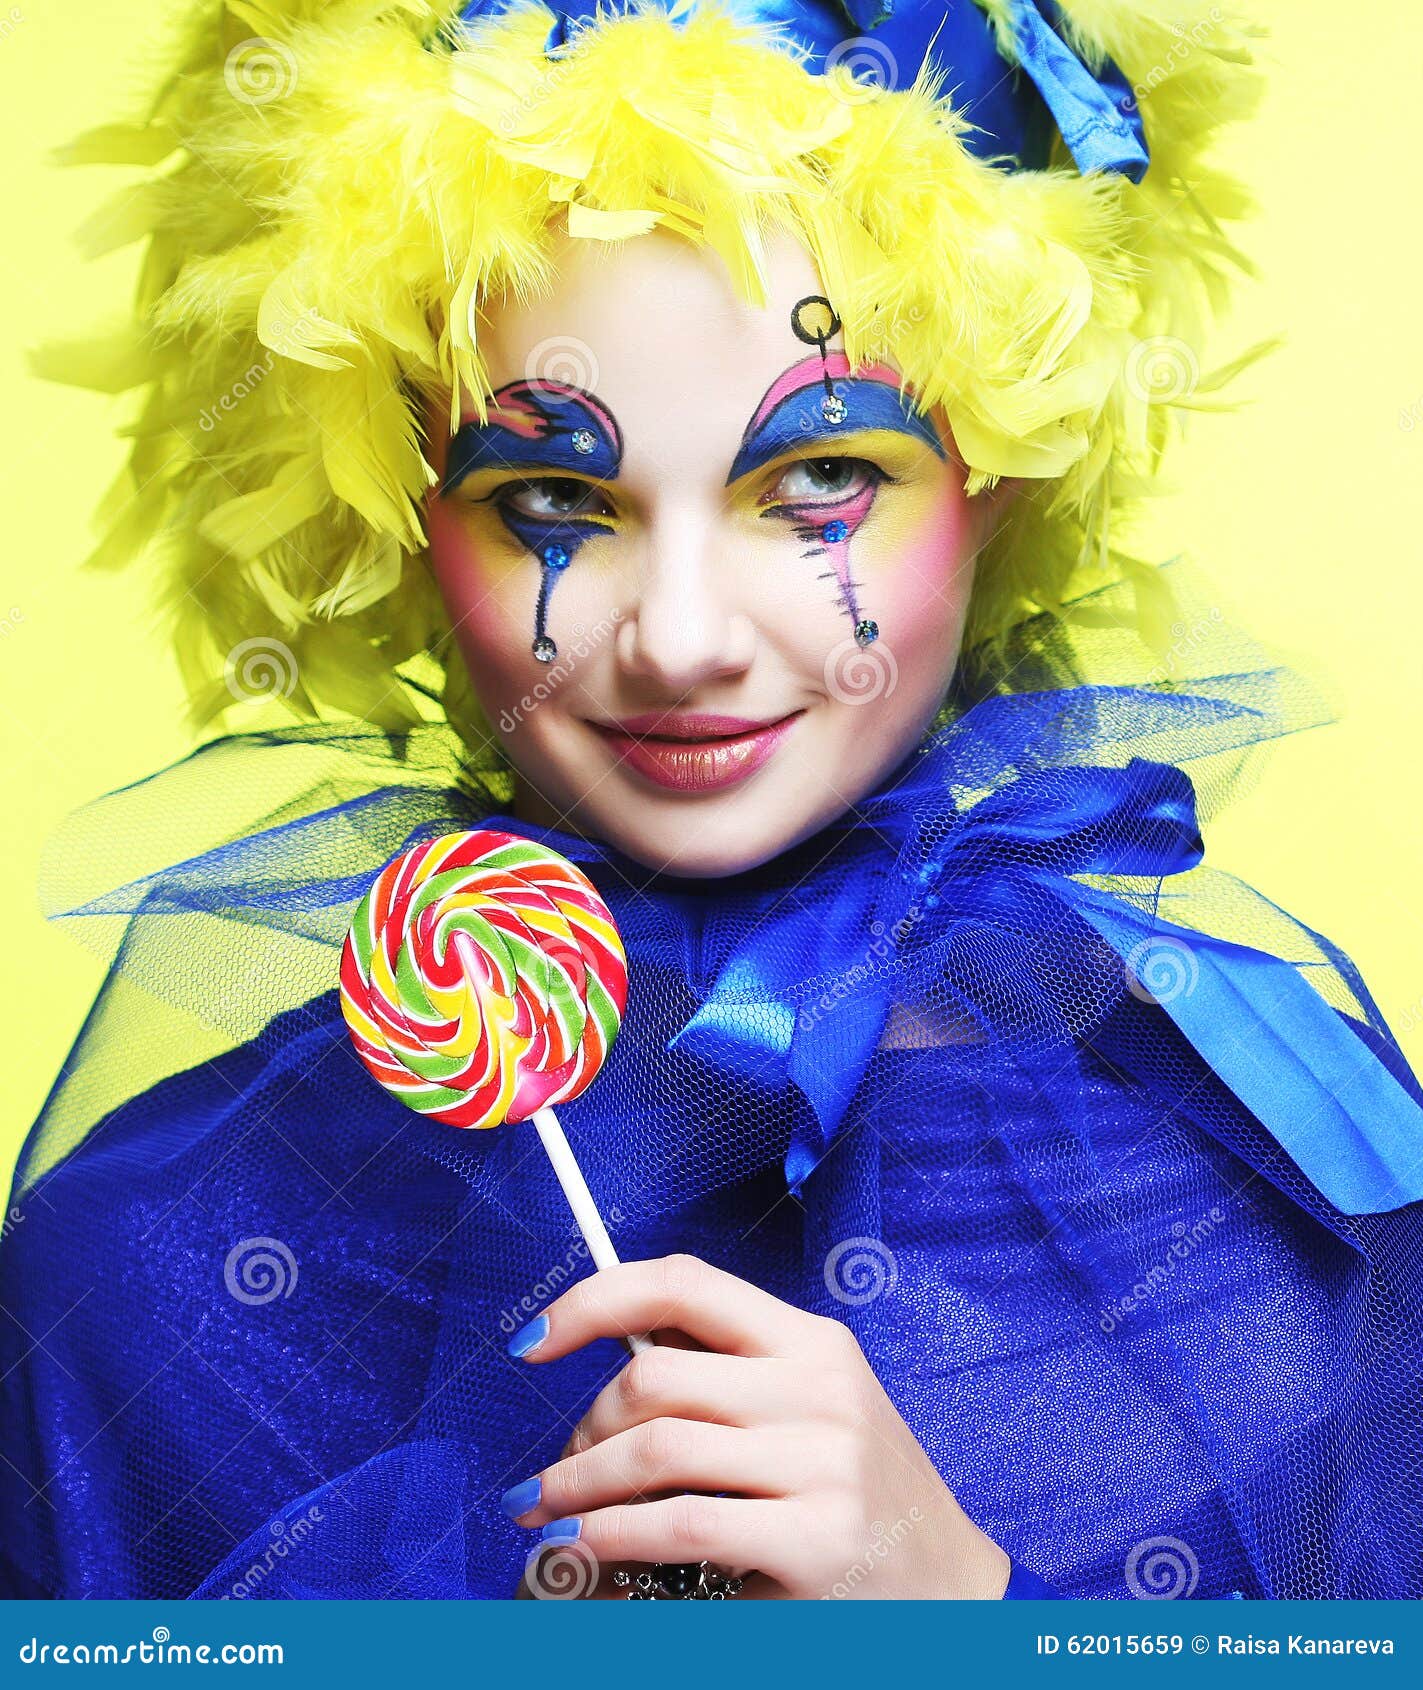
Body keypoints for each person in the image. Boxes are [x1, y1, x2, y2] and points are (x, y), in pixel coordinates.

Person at [4, 0, 1421, 1602]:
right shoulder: (148, 1275)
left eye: (820, 476)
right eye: (552, 495)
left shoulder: (1293, 1180)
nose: (679, 638)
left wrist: (956, 1613)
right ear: (399, 505)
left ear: (1002, 473)